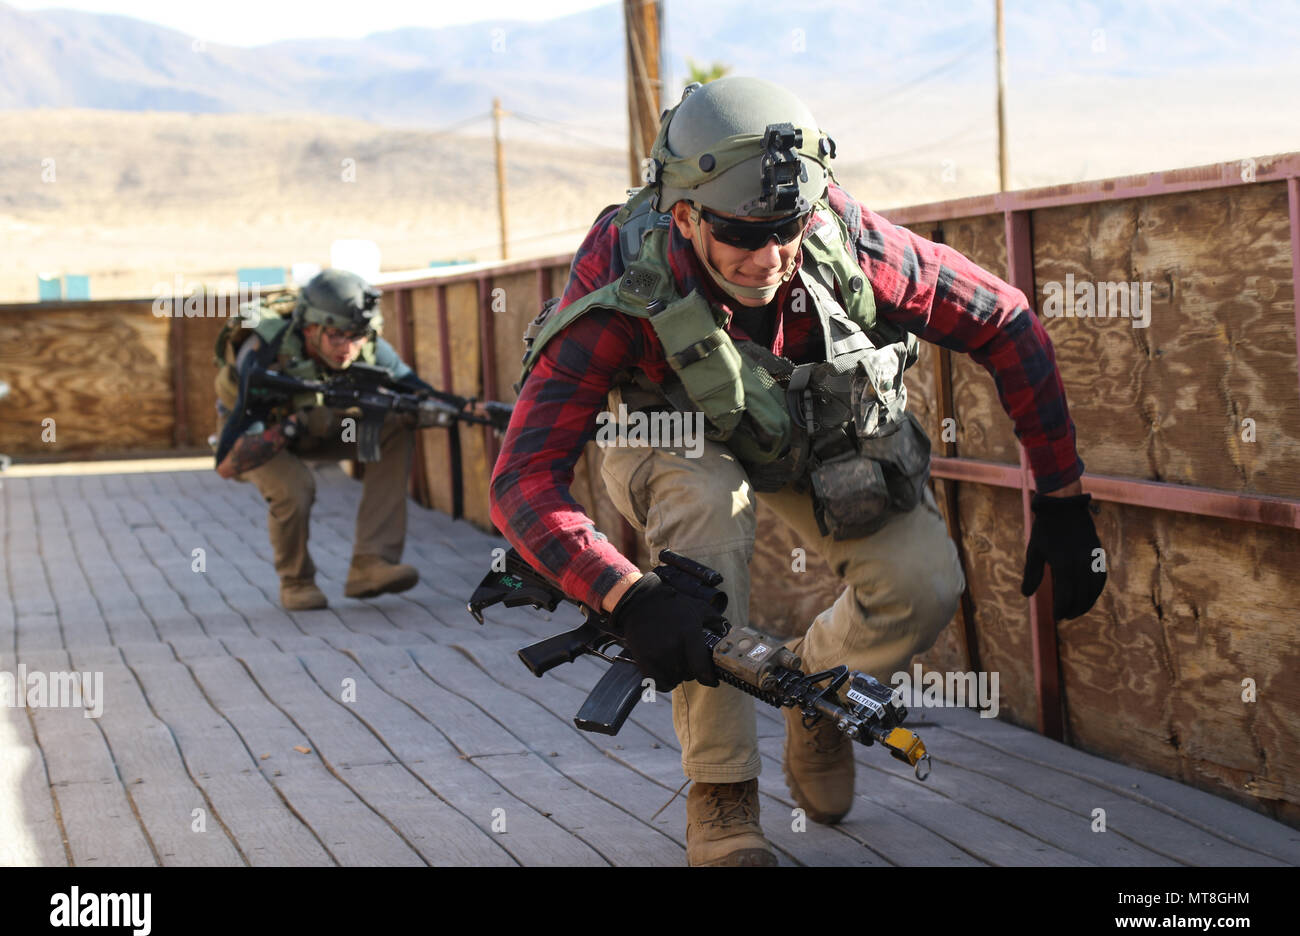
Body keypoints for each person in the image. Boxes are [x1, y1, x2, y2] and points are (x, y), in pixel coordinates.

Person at [489, 77, 1106, 866]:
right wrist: (625, 593)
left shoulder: (841, 236)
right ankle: (721, 794)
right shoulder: (623, 275)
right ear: (685, 214)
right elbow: (522, 478)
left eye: (785, 228)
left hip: (806, 426)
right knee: (705, 515)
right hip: (674, 434)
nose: (769, 257)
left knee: (922, 583)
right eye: (742, 235)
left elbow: (1004, 319)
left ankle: (813, 699)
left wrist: (1060, 494)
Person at [213, 268, 438, 611]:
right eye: (336, 336)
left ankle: (370, 564)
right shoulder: (264, 353)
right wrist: (291, 425)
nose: (348, 348)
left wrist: (460, 409)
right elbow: (227, 465)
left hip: (317, 426)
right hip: (258, 435)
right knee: (295, 488)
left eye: (357, 336)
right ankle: (296, 581)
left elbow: (418, 391)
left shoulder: (366, 344)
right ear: (310, 328)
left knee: (394, 425)